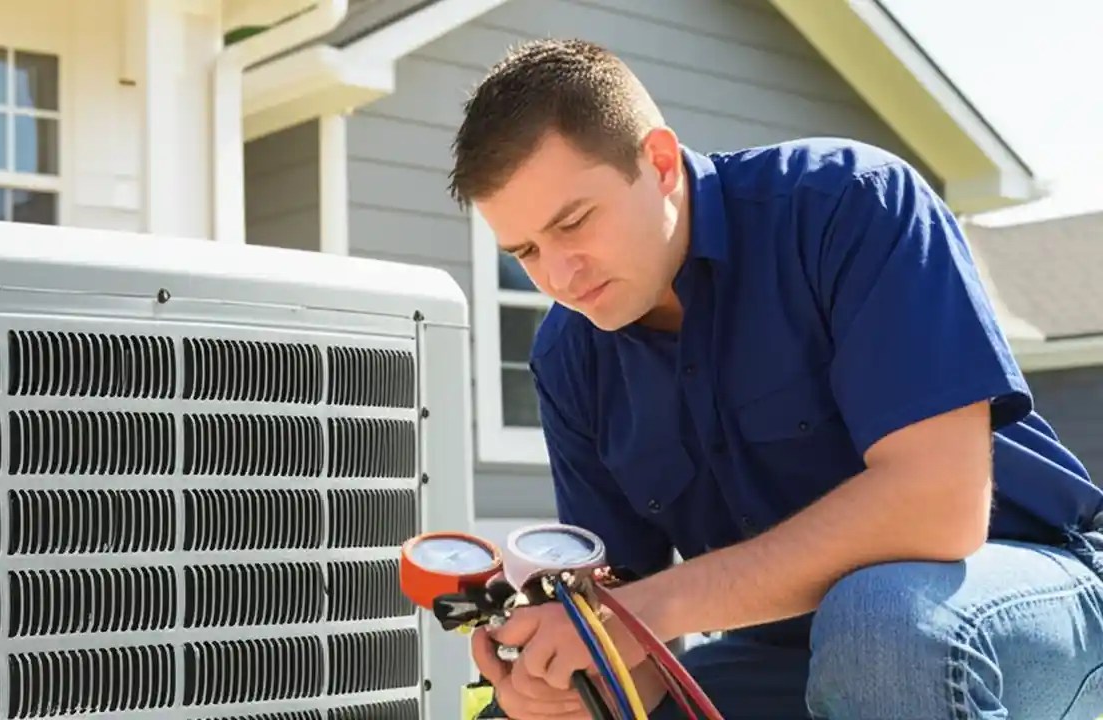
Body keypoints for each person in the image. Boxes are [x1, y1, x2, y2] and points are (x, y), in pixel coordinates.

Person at [448, 38, 1103, 720]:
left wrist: (647, 608)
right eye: (525, 251)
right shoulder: (568, 359)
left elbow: (941, 506)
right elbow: (629, 638)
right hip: (793, 654)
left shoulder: (848, 205)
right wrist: (568, 676)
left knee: (878, 630)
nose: (560, 275)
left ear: (661, 163)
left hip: (1032, 601)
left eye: (575, 221)